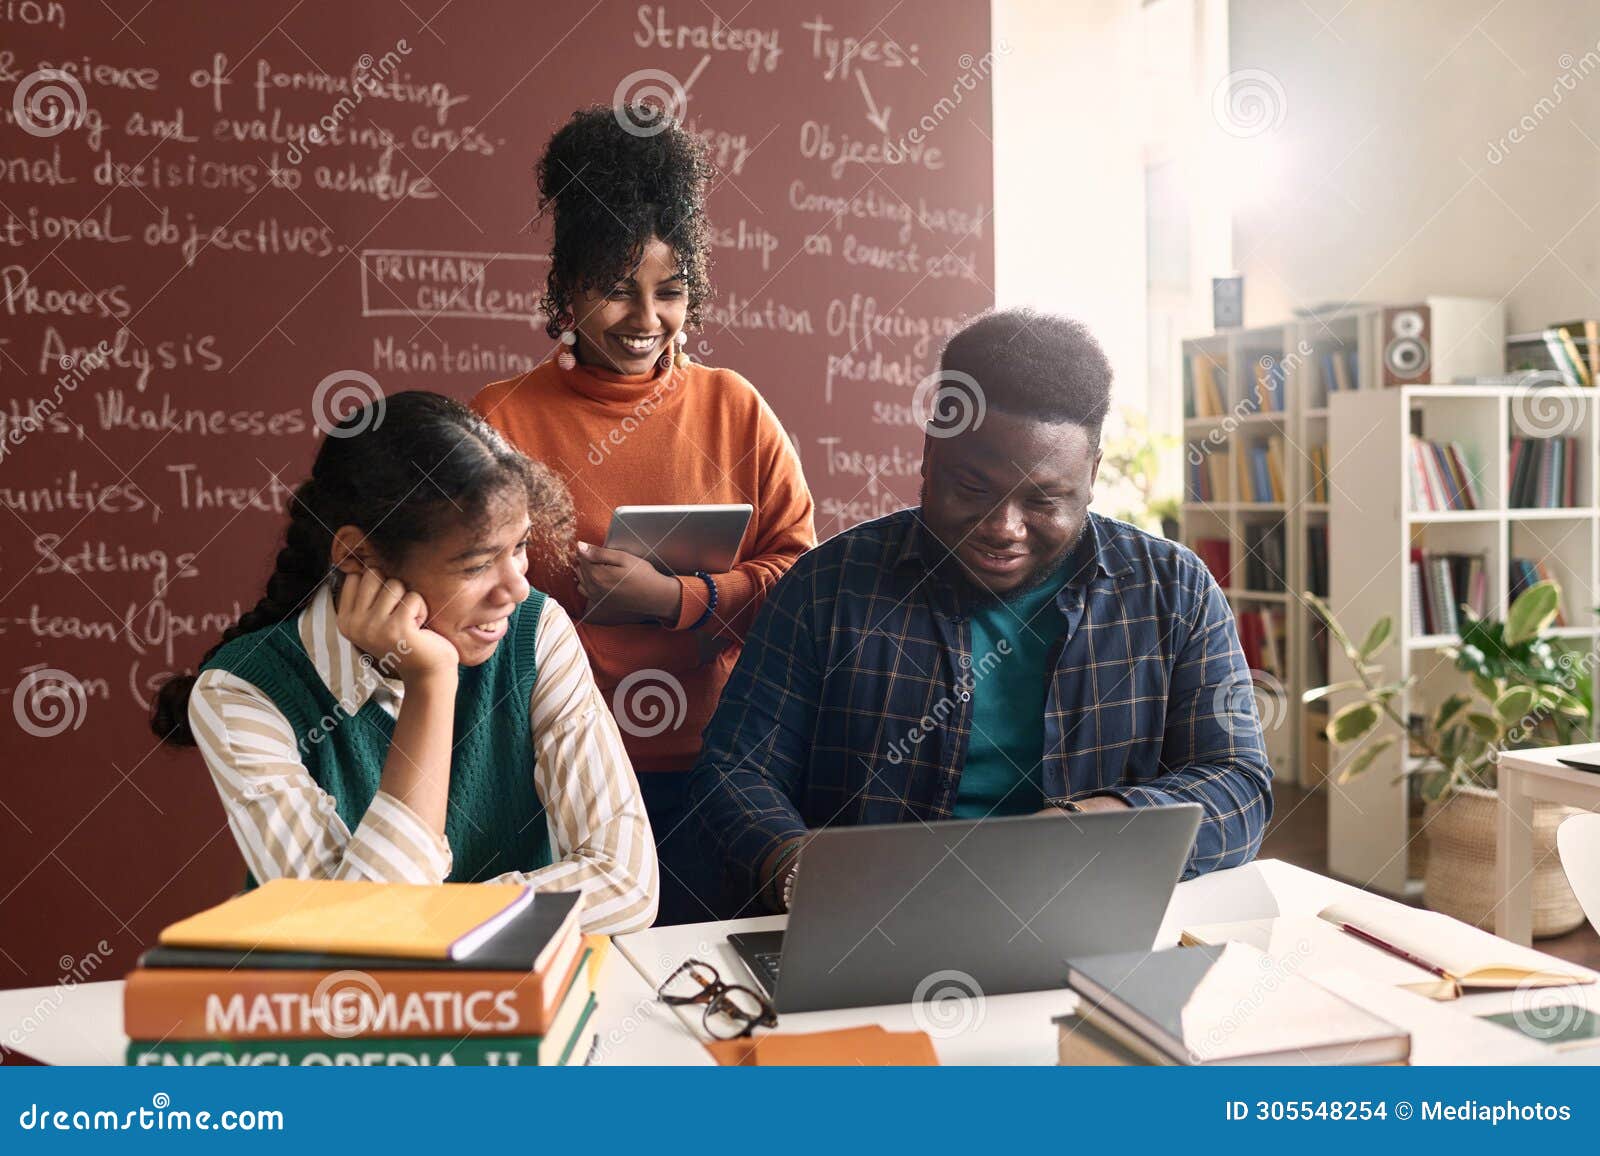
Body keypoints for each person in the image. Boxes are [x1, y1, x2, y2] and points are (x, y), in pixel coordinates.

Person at [688, 309, 1274, 912]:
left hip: (1091, 919)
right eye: (972, 490)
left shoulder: (1173, 590)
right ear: (929, 457)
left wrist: (1099, 825)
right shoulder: (827, 588)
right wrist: (799, 868)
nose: (1003, 529)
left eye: (1044, 500)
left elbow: (1239, 784)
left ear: (1092, 476)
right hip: (869, 924)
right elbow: (734, 772)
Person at [473, 106, 815, 924]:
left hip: (716, 773)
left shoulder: (735, 409)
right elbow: (465, 593)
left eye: (671, 293)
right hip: (553, 777)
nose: (646, 320)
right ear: (568, 288)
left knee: (701, 994)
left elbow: (802, 582)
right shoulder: (501, 418)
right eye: (616, 290)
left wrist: (675, 600)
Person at [151, 391, 657, 934]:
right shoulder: (239, 693)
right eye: (479, 564)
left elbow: (626, 883)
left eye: (520, 547)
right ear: (357, 556)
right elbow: (357, 940)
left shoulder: (536, 633)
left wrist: (430, 927)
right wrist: (432, 685)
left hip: (513, 1000)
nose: (516, 587)